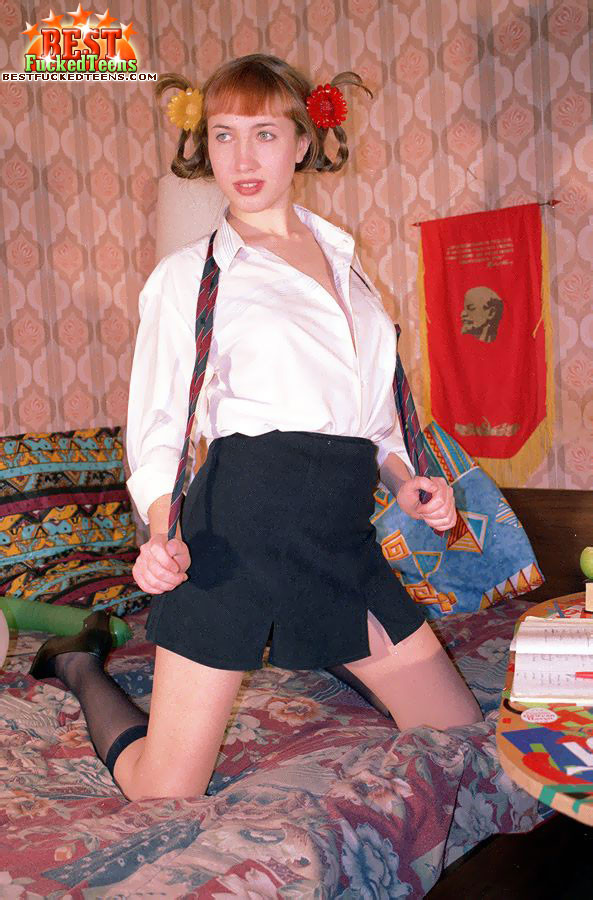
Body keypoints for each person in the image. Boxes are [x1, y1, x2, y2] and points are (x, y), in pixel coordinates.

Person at [30, 54, 482, 802]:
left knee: (458, 732)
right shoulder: (190, 275)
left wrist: (407, 483)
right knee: (164, 790)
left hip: (338, 539)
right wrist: (159, 534)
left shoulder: (348, 265)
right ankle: (80, 664)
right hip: (233, 537)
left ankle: (314, 637)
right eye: (223, 135)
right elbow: (158, 427)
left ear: (302, 142)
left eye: (264, 134)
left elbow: (372, 417)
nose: (241, 159)